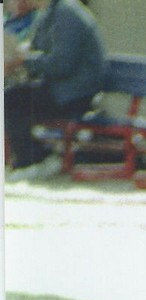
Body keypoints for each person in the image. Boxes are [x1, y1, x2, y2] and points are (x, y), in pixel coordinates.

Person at [4, 0, 106, 181]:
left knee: (12, 100)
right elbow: (36, 50)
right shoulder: (48, 13)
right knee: (13, 96)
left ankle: (35, 161)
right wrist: (18, 57)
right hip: (59, 90)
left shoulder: (66, 13)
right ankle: (38, 157)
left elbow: (61, 64)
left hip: (75, 94)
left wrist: (25, 61)